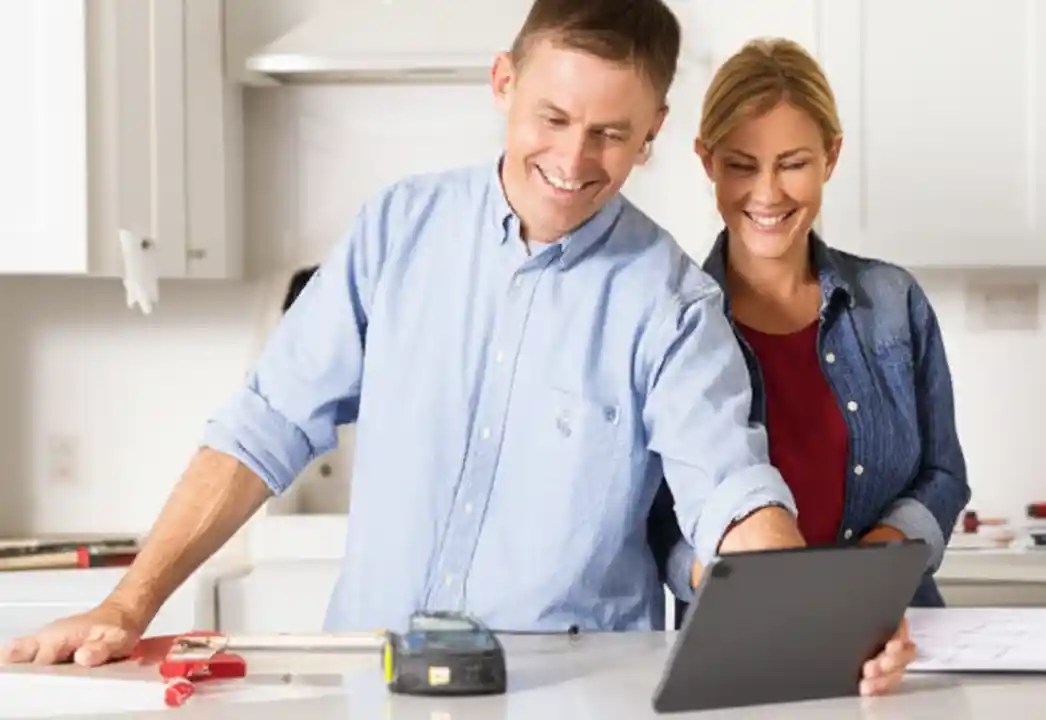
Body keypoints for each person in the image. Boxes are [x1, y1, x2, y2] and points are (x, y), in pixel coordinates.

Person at [1, 3, 913, 693]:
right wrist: (128, 605)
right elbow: (263, 427)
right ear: (503, 83)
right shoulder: (397, 229)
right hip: (371, 684)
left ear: (653, 136)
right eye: (553, 117)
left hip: (568, 694)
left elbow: (728, 495)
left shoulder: (673, 302)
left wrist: (815, 625)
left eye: (610, 134)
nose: (574, 157)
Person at [649, 35, 969, 679]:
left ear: (832, 156)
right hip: (742, 645)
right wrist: (706, 571)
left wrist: (868, 578)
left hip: (896, 640)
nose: (766, 193)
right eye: (741, 165)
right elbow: (652, 514)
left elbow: (943, 475)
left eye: (793, 163)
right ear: (705, 160)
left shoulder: (893, 302)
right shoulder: (671, 320)